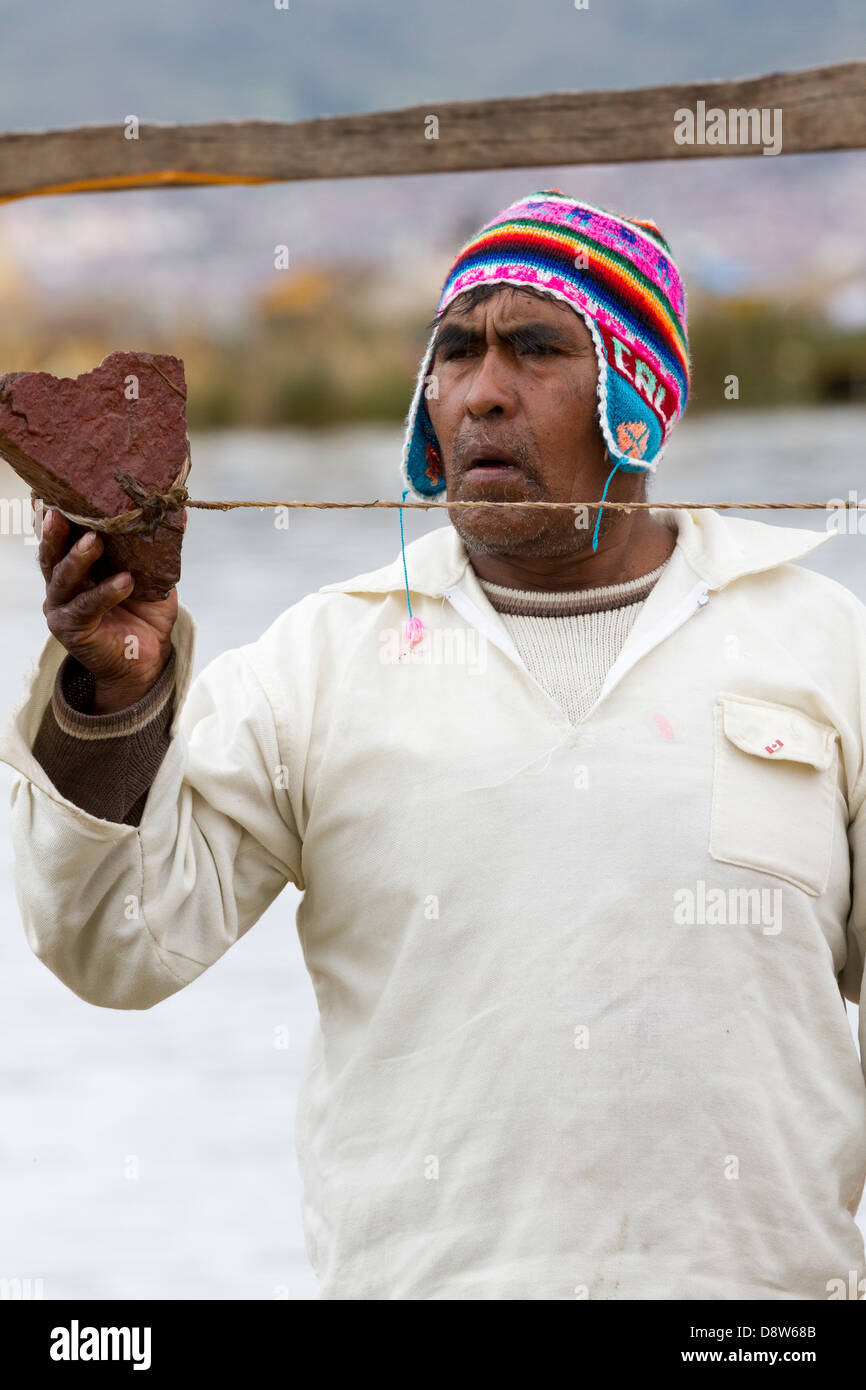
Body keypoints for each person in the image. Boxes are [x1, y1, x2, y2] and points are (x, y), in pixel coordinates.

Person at [3, 190, 866, 1301]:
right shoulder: (322, 660)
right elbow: (112, 947)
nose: (479, 394)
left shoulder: (819, 644)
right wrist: (112, 694)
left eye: (535, 349)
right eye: (454, 354)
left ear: (638, 398)